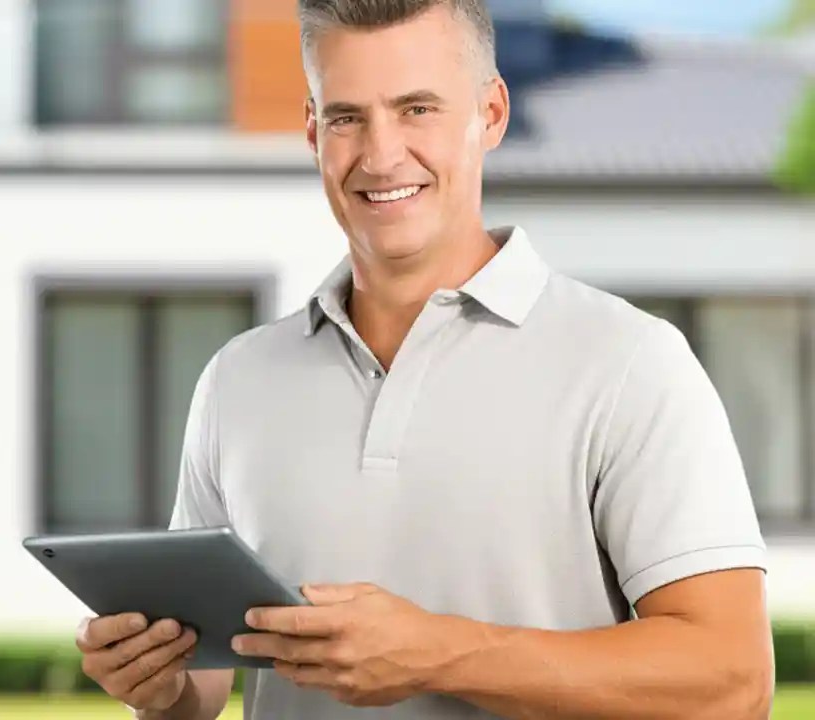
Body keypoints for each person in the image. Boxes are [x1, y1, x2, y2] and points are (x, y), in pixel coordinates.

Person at [75, 1, 774, 717]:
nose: (380, 155)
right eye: (347, 117)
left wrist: (437, 652)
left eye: (417, 110)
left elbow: (732, 681)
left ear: (492, 114)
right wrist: (161, 689)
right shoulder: (236, 381)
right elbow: (207, 687)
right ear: (313, 128)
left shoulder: (631, 363)